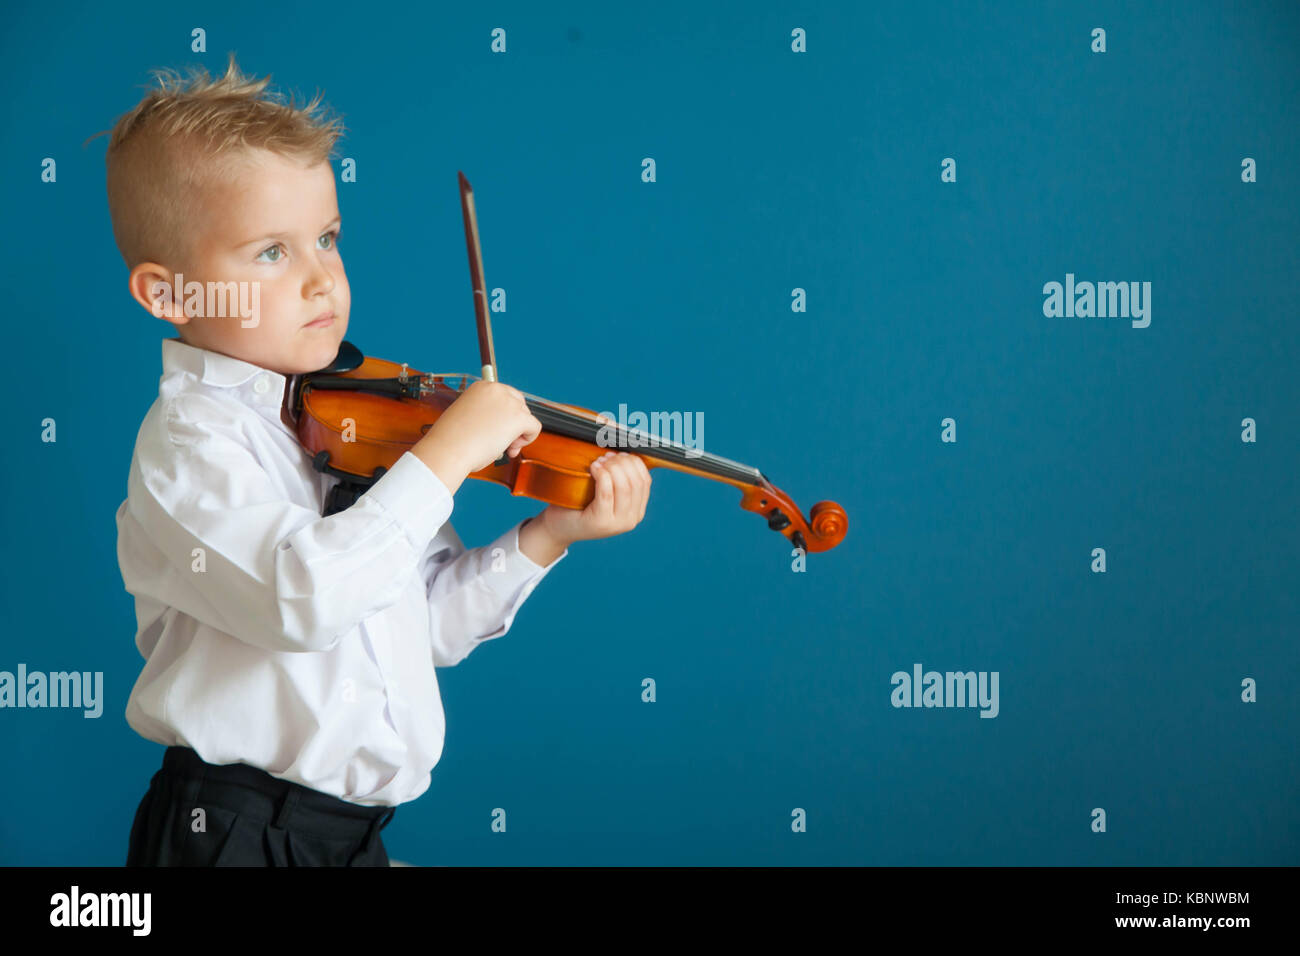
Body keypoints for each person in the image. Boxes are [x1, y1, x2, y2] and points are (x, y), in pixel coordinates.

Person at [102, 53, 651, 866]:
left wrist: (547, 537)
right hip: (232, 835)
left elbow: (420, 622)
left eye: (327, 238)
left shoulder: (343, 427)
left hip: (352, 843)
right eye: (270, 253)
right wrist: (444, 457)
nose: (322, 279)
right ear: (170, 294)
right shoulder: (191, 444)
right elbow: (304, 599)